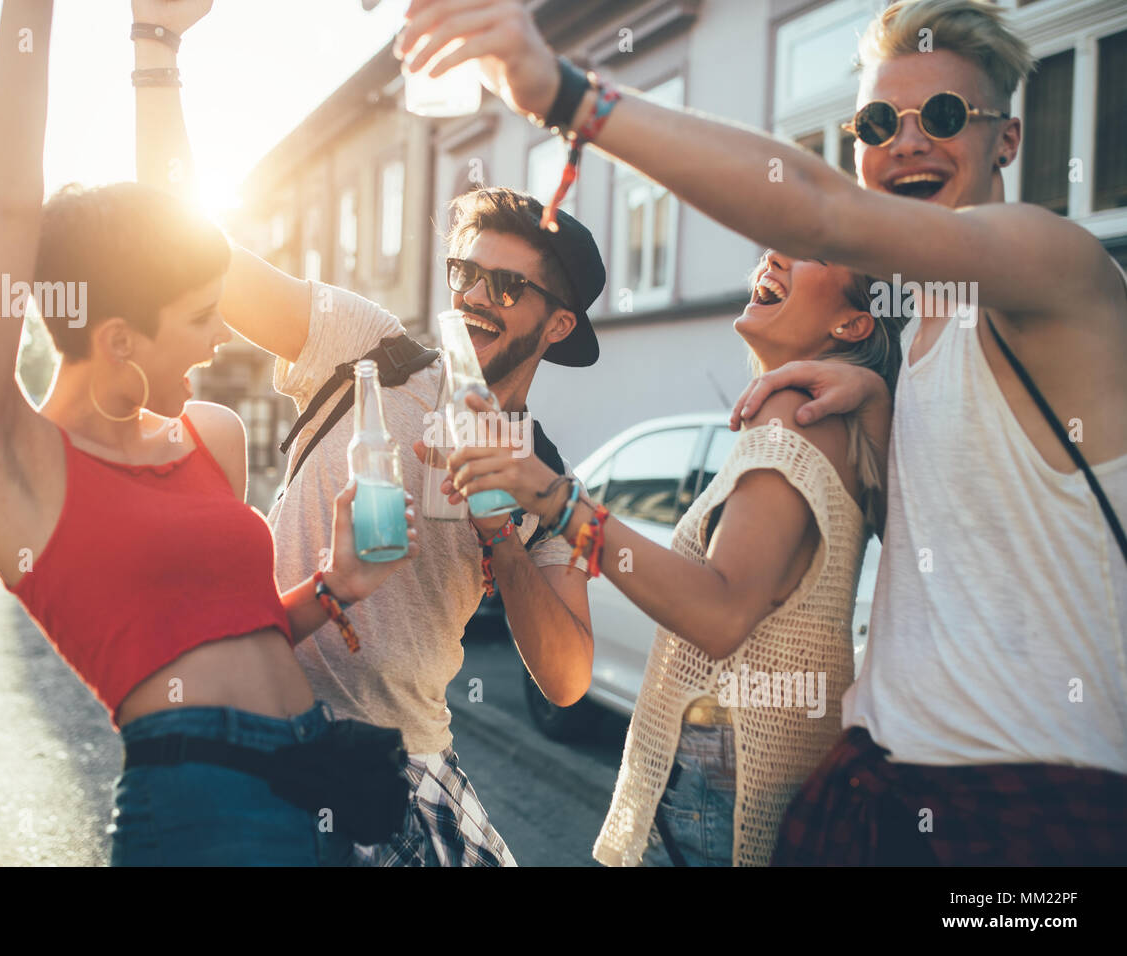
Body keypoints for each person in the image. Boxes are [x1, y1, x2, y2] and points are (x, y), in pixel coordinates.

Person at [402, 0, 1127, 863]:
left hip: (1023, 811)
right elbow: (937, 546)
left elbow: (815, 210)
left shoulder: (1053, 260)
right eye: (876, 122)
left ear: (1006, 139)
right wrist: (878, 402)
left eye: (942, 116)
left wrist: (564, 94)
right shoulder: (919, 343)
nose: (906, 143)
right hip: (879, 788)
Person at [0, 0, 418, 867]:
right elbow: (5, 204)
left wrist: (333, 585)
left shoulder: (208, 436)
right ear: (118, 340)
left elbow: (240, 628)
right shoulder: (4, 460)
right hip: (198, 810)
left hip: (317, 778)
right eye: (199, 317)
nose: (220, 333)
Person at [129, 0, 596, 865]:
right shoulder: (368, 350)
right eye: (466, 274)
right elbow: (193, 251)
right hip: (261, 730)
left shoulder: (544, 477)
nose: (475, 299)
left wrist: (506, 533)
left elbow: (567, 680)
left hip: (398, 768)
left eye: (507, 287)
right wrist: (155, 47)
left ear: (558, 326)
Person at [445, 251, 904, 865]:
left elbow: (720, 612)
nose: (773, 254)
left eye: (812, 252)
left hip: (722, 788)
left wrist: (557, 499)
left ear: (853, 324)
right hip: (762, 780)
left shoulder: (795, 411)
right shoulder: (844, 417)